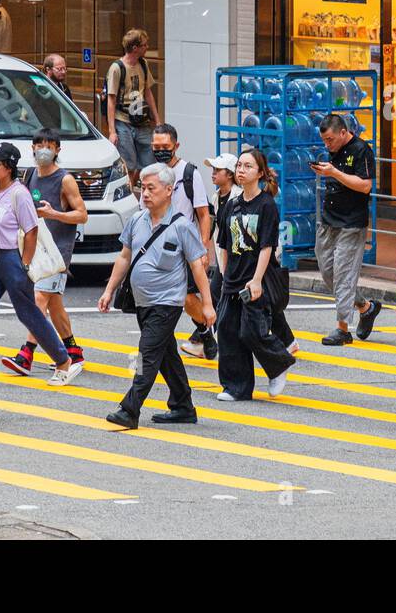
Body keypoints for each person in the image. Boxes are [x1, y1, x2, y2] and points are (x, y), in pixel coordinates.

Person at [0, 143, 81, 398]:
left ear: (9, 167)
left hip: (12, 259)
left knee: (28, 313)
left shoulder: (19, 193)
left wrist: (25, 263)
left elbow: (32, 229)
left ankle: (63, 359)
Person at [99, 163, 213, 430]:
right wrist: (108, 290)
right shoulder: (137, 220)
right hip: (142, 302)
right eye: (143, 188)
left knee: (147, 354)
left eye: (151, 188)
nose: (145, 194)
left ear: (169, 190)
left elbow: (197, 266)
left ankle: (130, 409)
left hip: (167, 302)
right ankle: (183, 405)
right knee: (165, 354)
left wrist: (207, 305)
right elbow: (124, 256)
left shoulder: (181, 226)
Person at [213, 148, 299, 403]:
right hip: (233, 278)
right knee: (227, 331)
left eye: (248, 166)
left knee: (251, 331)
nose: (241, 170)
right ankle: (235, 387)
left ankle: (280, 363)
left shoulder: (266, 205)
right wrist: (226, 274)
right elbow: (224, 244)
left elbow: (266, 246)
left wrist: (257, 279)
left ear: (260, 173)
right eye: (239, 165)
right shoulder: (232, 204)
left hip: (255, 278)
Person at [1, 129, 88, 375]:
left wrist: (55, 214)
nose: (42, 150)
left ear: (58, 149)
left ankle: (26, 353)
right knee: (53, 302)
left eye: (48, 145)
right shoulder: (30, 175)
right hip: (36, 249)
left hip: (57, 253)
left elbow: (82, 215)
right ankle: (73, 350)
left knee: (39, 297)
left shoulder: (65, 179)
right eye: (38, 145)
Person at [312, 113, 382, 345]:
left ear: (343, 132)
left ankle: (342, 329)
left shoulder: (362, 149)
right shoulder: (332, 150)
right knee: (327, 272)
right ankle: (366, 307)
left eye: (330, 139)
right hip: (328, 218)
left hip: (351, 223)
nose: (327, 144)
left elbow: (365, 186)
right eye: (324, 140)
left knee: (343, 274)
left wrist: (334, 173)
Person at [148, 124, 214, 359]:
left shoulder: (189, 173)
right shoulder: (151, 173)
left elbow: (203, 213)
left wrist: (204, 247)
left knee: (186, 297)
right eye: (156, 147)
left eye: (165, 147)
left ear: (176, 146)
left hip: (184, 247)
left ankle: (206, 331)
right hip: (156, 247)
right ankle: (199, 334)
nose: (161, 151)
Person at [106, 28, 160, 189]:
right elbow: (111, 99)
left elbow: (148, 91)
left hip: (141, 120)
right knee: (129, 163)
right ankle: (129, 195)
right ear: (135, 48)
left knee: (149, 161)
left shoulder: (143, 64)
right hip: (123, 121)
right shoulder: (117, 68)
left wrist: (157, 120)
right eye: (144, 45)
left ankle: (142, 191)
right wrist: (112, 130)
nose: (147, 47)